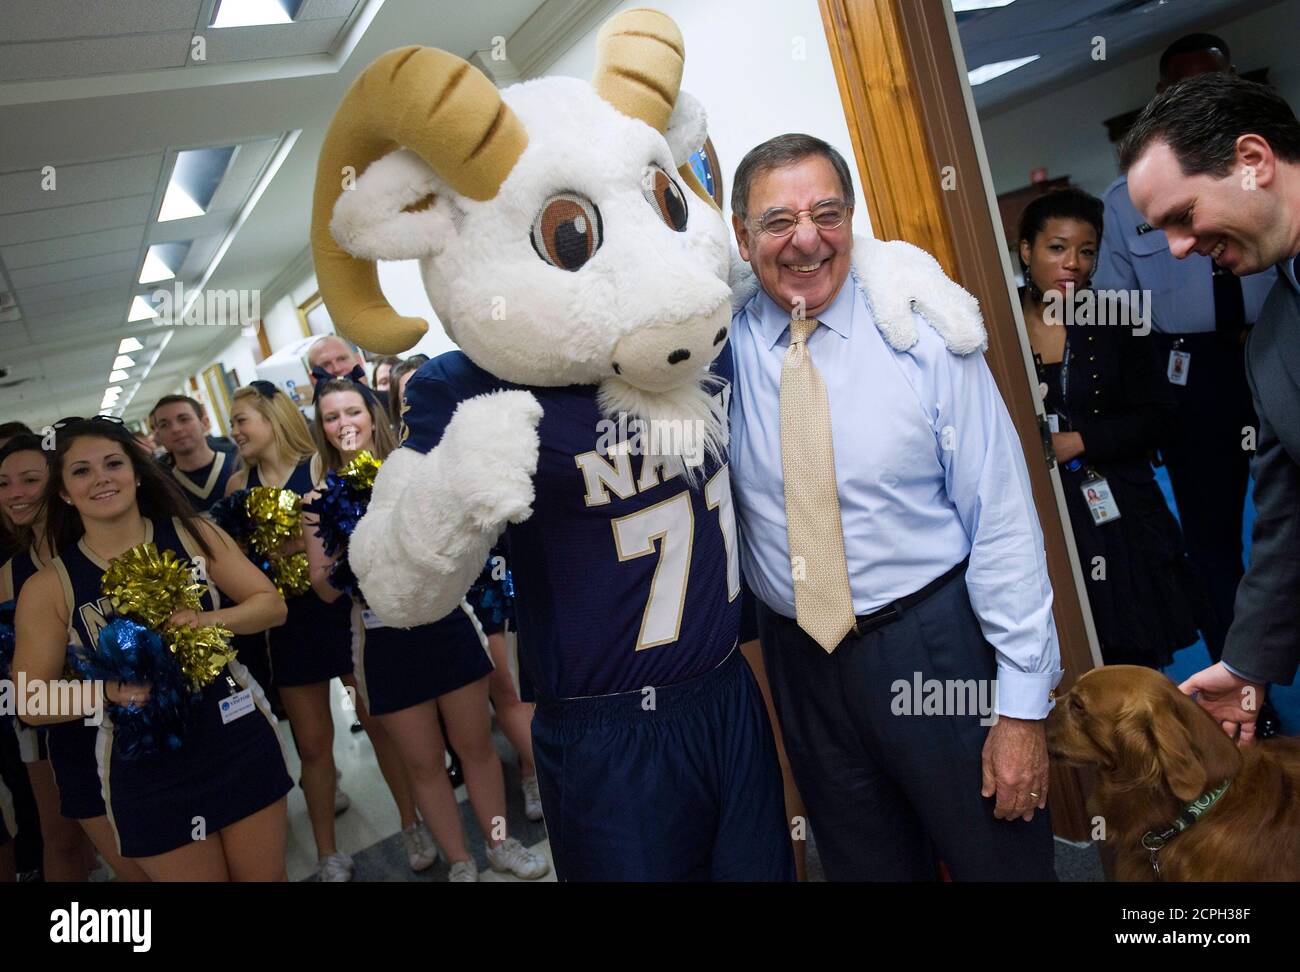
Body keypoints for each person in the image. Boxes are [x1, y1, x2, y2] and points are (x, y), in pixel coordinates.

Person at [728, 133, 1060, 880]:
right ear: (742, 239)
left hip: (934, 648)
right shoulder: (725, 348)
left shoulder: (924, 335)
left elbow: (1002, 519)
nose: (807, 239)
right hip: (803, 664)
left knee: (997, 862)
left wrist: (1020, 709)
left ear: (855, 221)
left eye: (828, 213)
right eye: (778, 221)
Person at [14, 416, 291, 881]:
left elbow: (271, 605)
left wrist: (205, 620)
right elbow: (30, 700)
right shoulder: (50, 586)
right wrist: (108, 693)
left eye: (113, 463)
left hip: (235, 734)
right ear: (63, 491)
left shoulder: (193, 534)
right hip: (145, 769)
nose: (101, 477)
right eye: (81, 471)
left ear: (137, 472)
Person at [305, 375, 548, 881]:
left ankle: (501, 845)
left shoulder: (417, 467)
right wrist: (360, 552)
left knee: (477, 746)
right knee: (422, 763)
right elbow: (324, 588)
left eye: (353, 412)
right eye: (331, 417)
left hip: (446, 623)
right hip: (381, 640)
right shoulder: (317, 498)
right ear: (320, 428)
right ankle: (461, 862)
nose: (344, 424)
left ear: (373, 415)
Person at [1119, 73, 1300, 741]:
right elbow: (1285, 524)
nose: (1176, 248)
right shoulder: (1273, 342)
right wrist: (1248, 663)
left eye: (1181, 215)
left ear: (1253, 163)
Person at [1092, 34, 1278, 667]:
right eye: (1184, 87)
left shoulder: (1270, 176)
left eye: (1216, 81)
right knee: (1210, 531)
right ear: (1162, 96)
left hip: (1277, 343)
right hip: (1192, 370)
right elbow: (1115, 310)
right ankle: (1240, 671)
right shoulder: (1127, 202)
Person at [224, 381, 418, 881]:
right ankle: (328, 851)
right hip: (290, 628)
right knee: (311, 744)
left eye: (241, 420)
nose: (234, 432)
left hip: (340, 614)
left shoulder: (314, 464)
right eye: (232, 423)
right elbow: (237, 563)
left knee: (377, 724)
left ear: (271, 417)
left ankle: (411, 822)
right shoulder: (235, 487)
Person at [1018, 188, 1207, 668]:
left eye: (1086, 252)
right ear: (1026, 250)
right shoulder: (995, 327)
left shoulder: (1119, 319)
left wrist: (1081, 441)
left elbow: (1162, 416)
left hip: (1115, 510)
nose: (1073, 264)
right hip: (1033, 513)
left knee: (1130, 657)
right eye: (1057, 248)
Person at [0, 436, 98, 881]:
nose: (15, 493)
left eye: (29, 480)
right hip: (45, 720)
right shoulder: (10, 570)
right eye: (3, 483)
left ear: (56, 485)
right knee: (59, 834)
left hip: (115, 706)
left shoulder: (92, 548)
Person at [150, 396, 240, 513]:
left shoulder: (238, 466)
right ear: (159, 436)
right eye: (164, 425)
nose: (175, 429)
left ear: (205, 423)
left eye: (184, 419)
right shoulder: (161, 489)